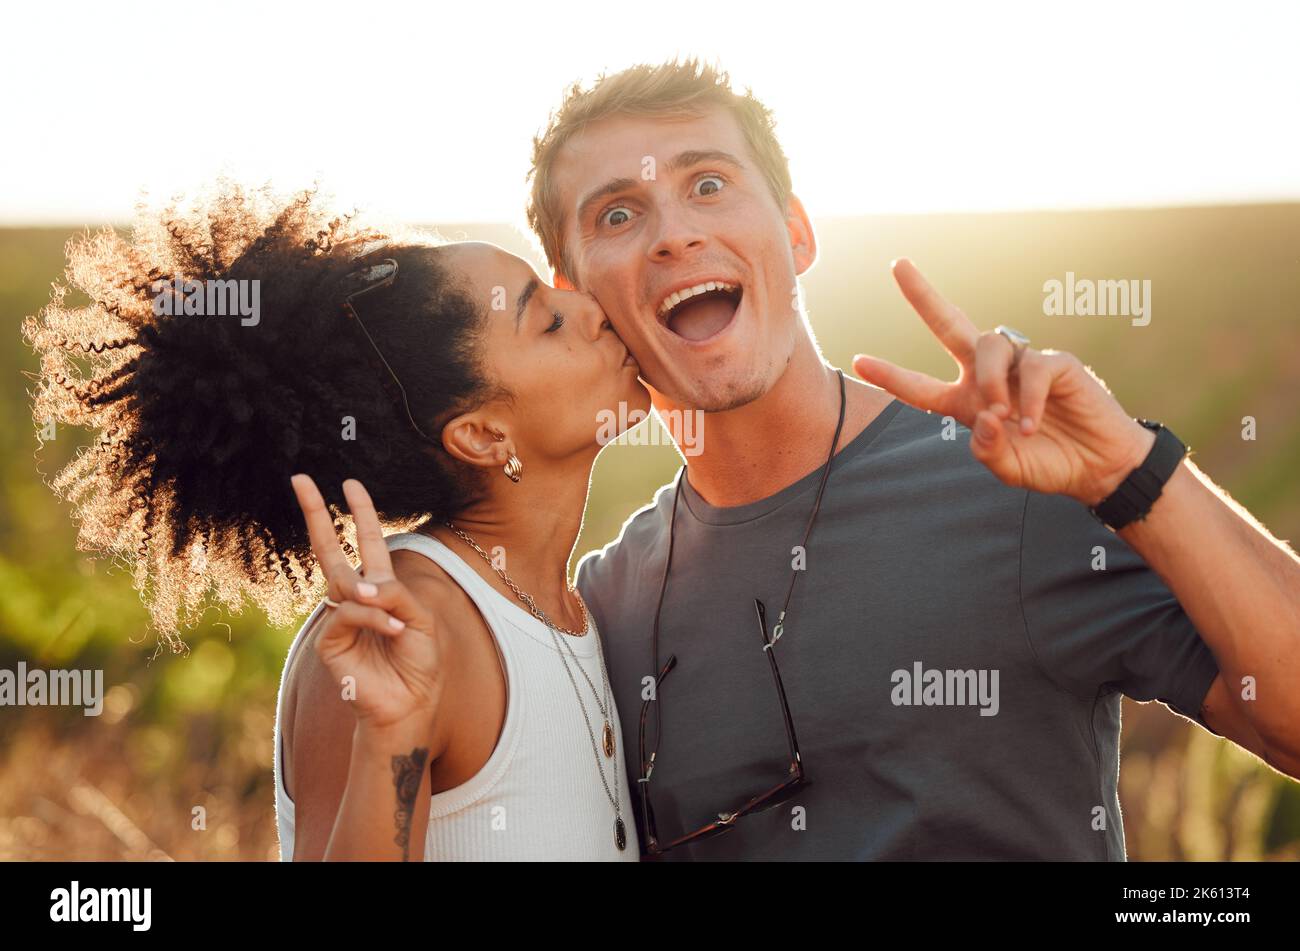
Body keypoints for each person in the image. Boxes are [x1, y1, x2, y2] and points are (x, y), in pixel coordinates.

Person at [524, 58, 1300, 859]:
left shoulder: (1013, 488)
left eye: (710, 185)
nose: (674, 234)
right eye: (617, 215)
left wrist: (1132, 473)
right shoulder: (601, 611)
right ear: (576, 299)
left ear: (797, 233)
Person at [25, 183, 647, 861]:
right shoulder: (399, 625)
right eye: (548, 320)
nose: (588, 307)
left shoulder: (575, 606)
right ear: (482, 436)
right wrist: (390, 732)